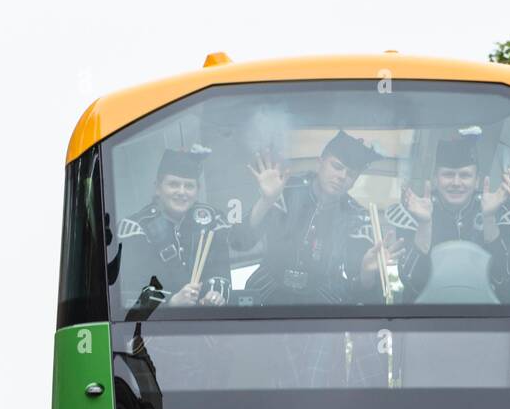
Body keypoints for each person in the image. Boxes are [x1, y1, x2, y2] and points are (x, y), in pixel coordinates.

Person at [232, 131, 398, 306]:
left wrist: (366, 271)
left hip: (324, 300)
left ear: (355, 180)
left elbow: (361, 292)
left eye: (351, 173)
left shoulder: (356, 216)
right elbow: (239, 242)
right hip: (267, 288)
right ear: (320, 163)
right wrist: (266, 201)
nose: (342, 176)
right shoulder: (284, 189)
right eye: (337, 166)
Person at [388, 138, 510, 302]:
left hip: (489, 319)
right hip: (429, 319)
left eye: (465, 175)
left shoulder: (500, 210)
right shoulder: (413, 213)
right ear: (435, 179)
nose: (456, 182)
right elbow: (412, 283)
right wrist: (425, 224)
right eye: (448, 174)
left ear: (477, 181)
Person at [117, 148, 232, 316]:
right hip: (158, 333)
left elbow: (222, 272)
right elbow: (133, 292)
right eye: (174, 184)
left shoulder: (212, 222)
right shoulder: (135, 228)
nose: (182, 192)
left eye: (189, 186)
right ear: (158, 188)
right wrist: (173, 302)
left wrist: (215, 295)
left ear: (197, 191)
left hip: (206, 327)